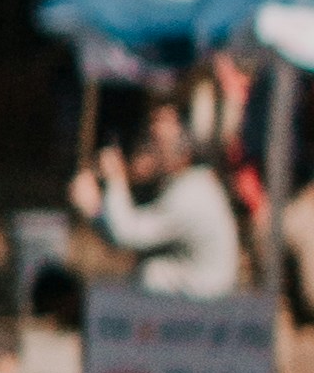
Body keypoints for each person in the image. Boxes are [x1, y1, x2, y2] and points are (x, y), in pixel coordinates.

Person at [78, 101, 246, 301]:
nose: (149, 148)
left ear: (183, 148)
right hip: (204, 292)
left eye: (157, 141)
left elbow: (126, 234)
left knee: (152, 274)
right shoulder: (191, 182)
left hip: (207, 301)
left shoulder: (192, 192)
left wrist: (114, 180)